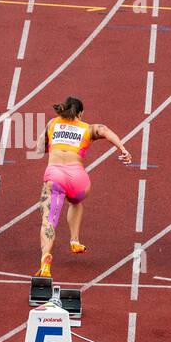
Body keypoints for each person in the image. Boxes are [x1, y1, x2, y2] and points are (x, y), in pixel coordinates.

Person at [34, 96, 132, 277]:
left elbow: (39, 148)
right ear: (80, 114)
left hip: (55, 176)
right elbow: (105, 130)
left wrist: (53, 143)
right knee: (75, 202)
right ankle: (74, 240)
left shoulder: (52, 123)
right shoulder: (86, 128)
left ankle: (45, 259)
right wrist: (123, 149)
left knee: (48, 222)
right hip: (78, 180)